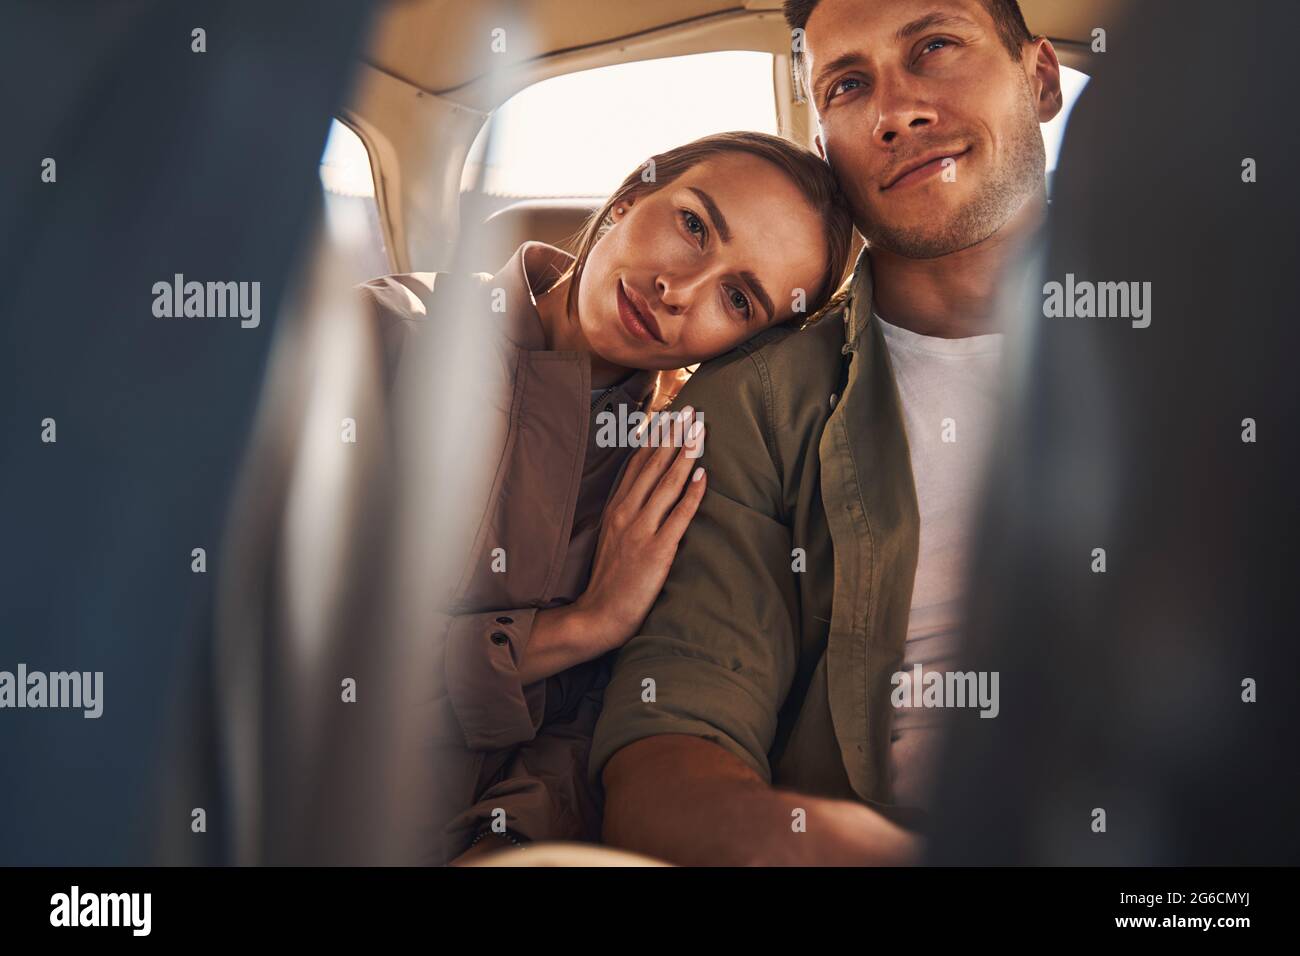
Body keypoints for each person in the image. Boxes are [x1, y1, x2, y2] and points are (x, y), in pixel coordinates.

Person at [592, 0, 1063, 865]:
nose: (896, 113)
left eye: (935, 45)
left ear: (1040, 79)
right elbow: (668, 751)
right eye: (849, 85)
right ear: (827, 150)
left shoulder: (1215, 339)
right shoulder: (750, 407)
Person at [360, 130, 854, 864]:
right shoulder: (388, 338)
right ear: (628, 198)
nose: (678, 291)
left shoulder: (681, 467)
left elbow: (580, 744)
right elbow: (323, 672)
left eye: (738, 297)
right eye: (693, 225)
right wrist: (588, 624)